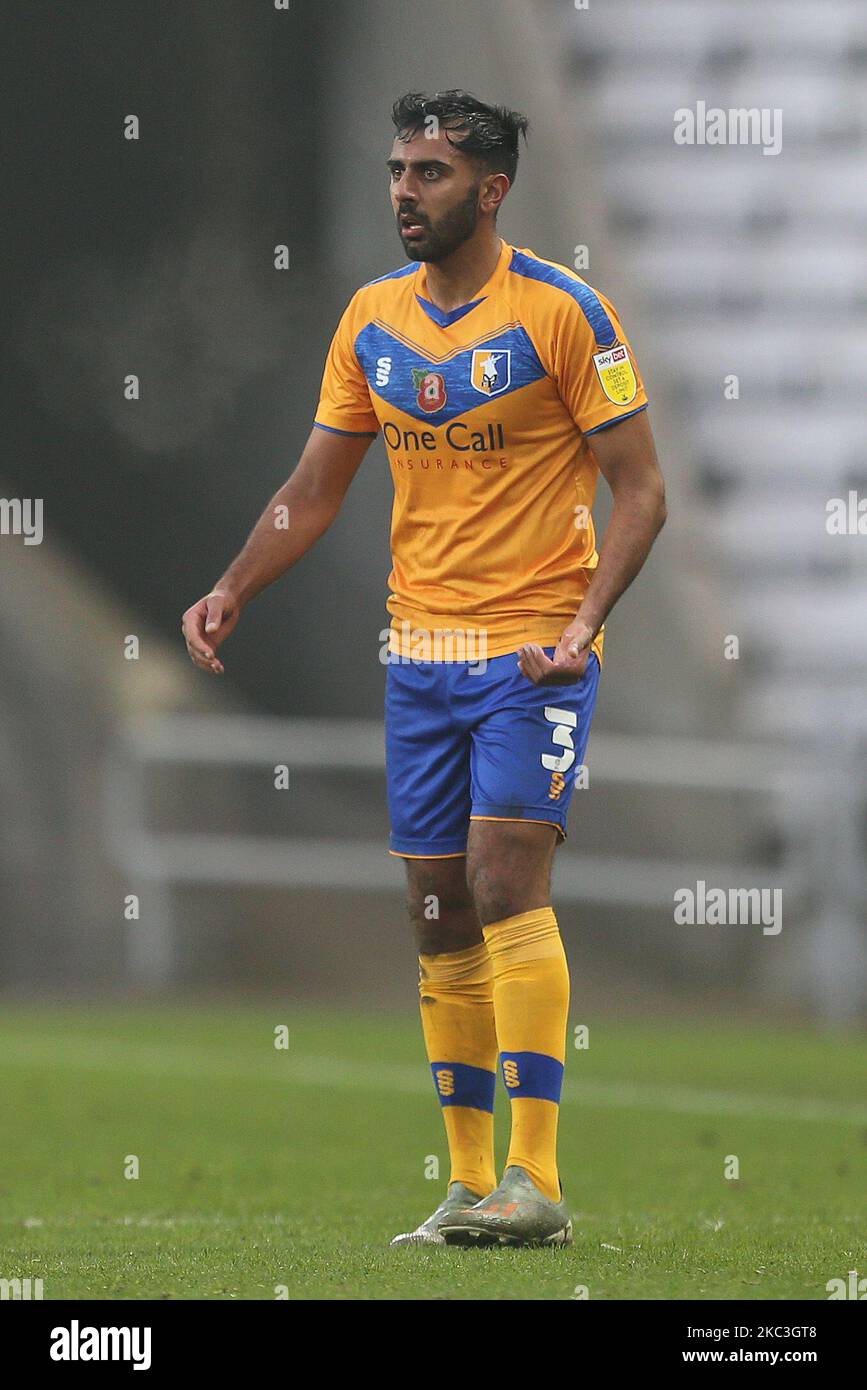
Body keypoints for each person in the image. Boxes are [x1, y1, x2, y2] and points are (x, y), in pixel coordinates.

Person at [182, 89, 666, 1248]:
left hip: (531, 652)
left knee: (505, 882)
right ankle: (465, 1186)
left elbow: (642, 490)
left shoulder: (564, 312)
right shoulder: (371, 320)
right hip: (422, 656)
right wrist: (235, 582)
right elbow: (314, 490)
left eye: (431, 174)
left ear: (492, 191)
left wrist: (586, 623)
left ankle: (536, 1179)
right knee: (440, 911)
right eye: (398, 170)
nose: (404, 190)